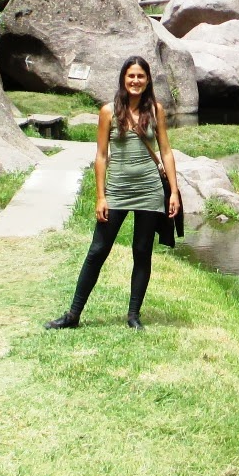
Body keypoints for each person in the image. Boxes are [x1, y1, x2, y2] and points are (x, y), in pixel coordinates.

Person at [45, 56, 180, 330]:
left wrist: (174, 192)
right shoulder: (108, 111)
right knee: (97, 250)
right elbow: (101, 155)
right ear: (123, 78)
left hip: (149, 189)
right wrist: (100, 195)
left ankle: (133, 316)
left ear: (148, 80)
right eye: (131, 76)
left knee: (142, 251)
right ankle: (73, 315)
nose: (135, 81)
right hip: (117, 189)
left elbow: (166, 151)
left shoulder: (156, 110)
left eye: (141, 76)